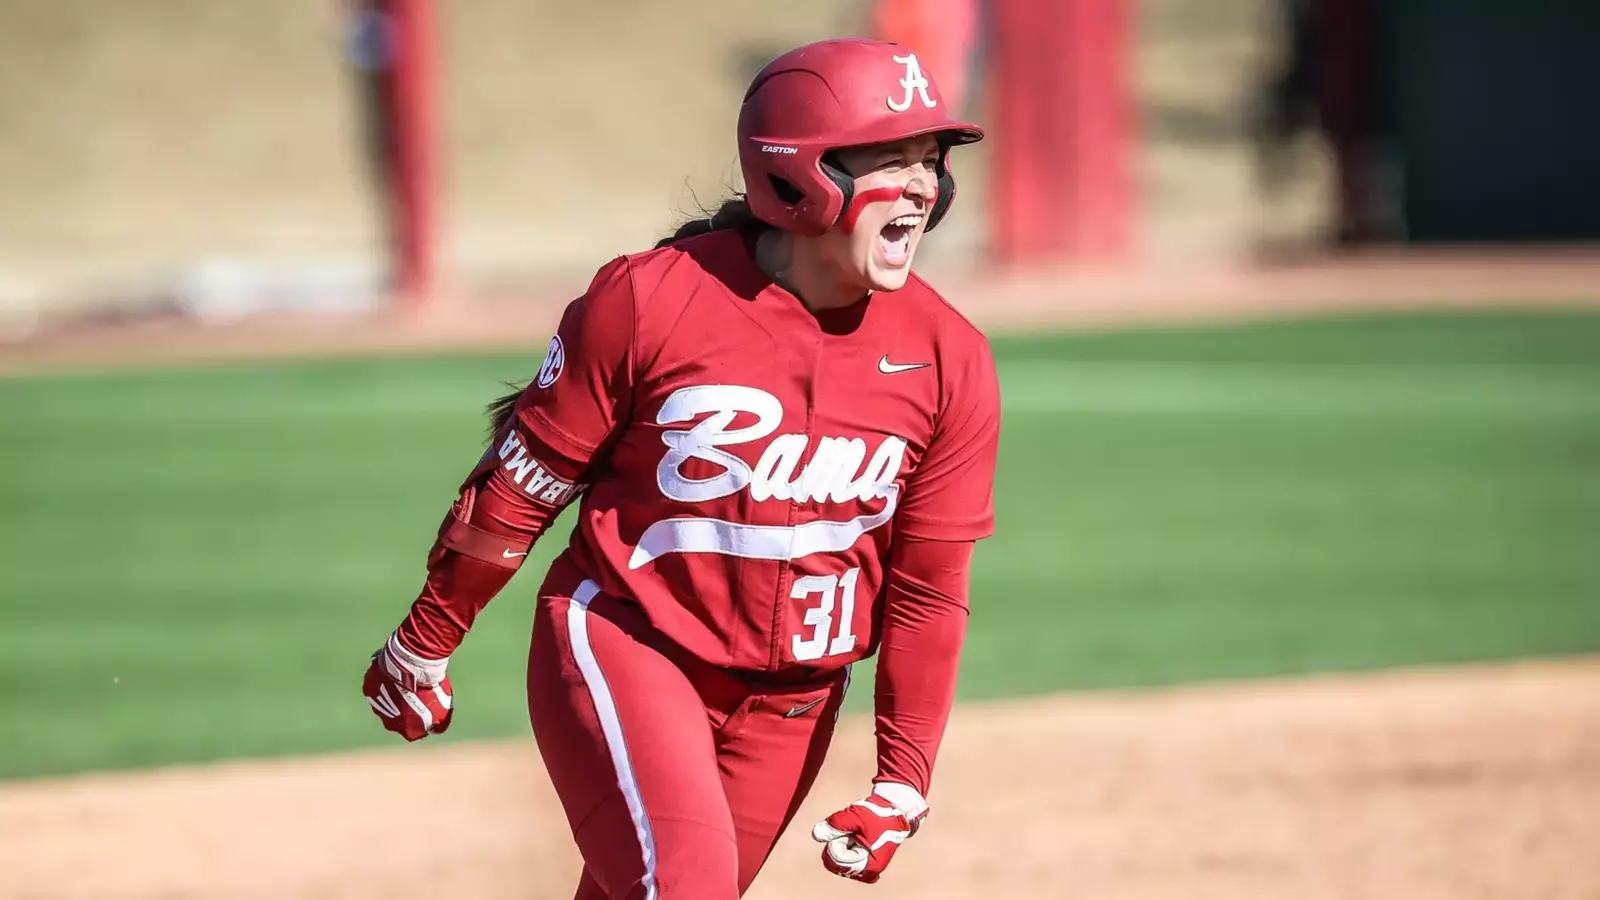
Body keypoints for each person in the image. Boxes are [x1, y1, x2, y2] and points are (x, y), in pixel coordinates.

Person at [361, 37, 1000, 899]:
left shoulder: (948, 356)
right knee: (685, 888)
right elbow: (526, 481)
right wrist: (427, 637)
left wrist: (903, 777)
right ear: (796, 173)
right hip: (631, 645)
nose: (924, 185)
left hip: (794, 706)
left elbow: (928, 588)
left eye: (931, 161)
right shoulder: (651, 298)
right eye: (892, 157)